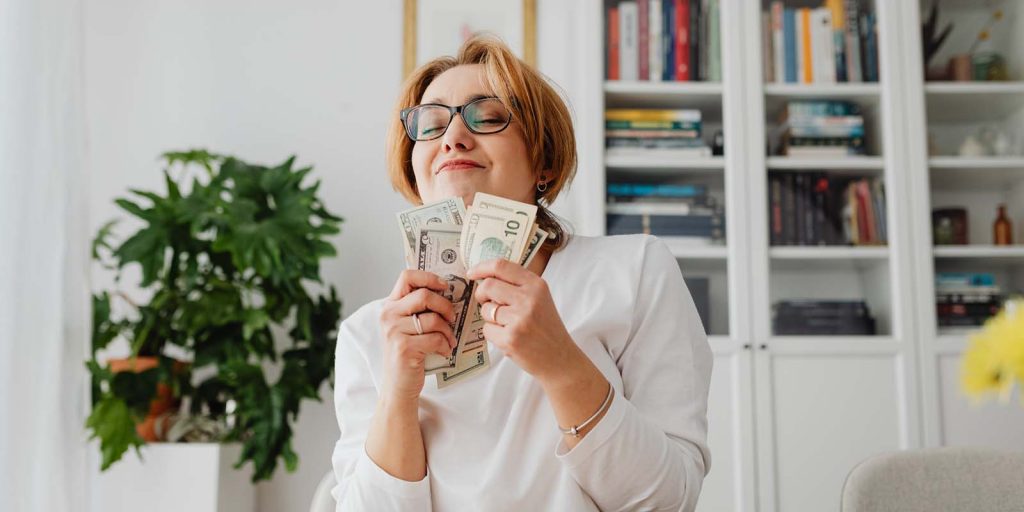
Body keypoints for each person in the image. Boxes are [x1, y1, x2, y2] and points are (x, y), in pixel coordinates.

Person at [331, 35, 712, 511]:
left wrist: (561, 363)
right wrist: (397, 394)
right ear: (413, 171)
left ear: (545, 163)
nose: (452, 137)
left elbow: (667, 501)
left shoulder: (634, 271)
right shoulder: (369, 335)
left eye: (487, 116)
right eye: (429, 126)